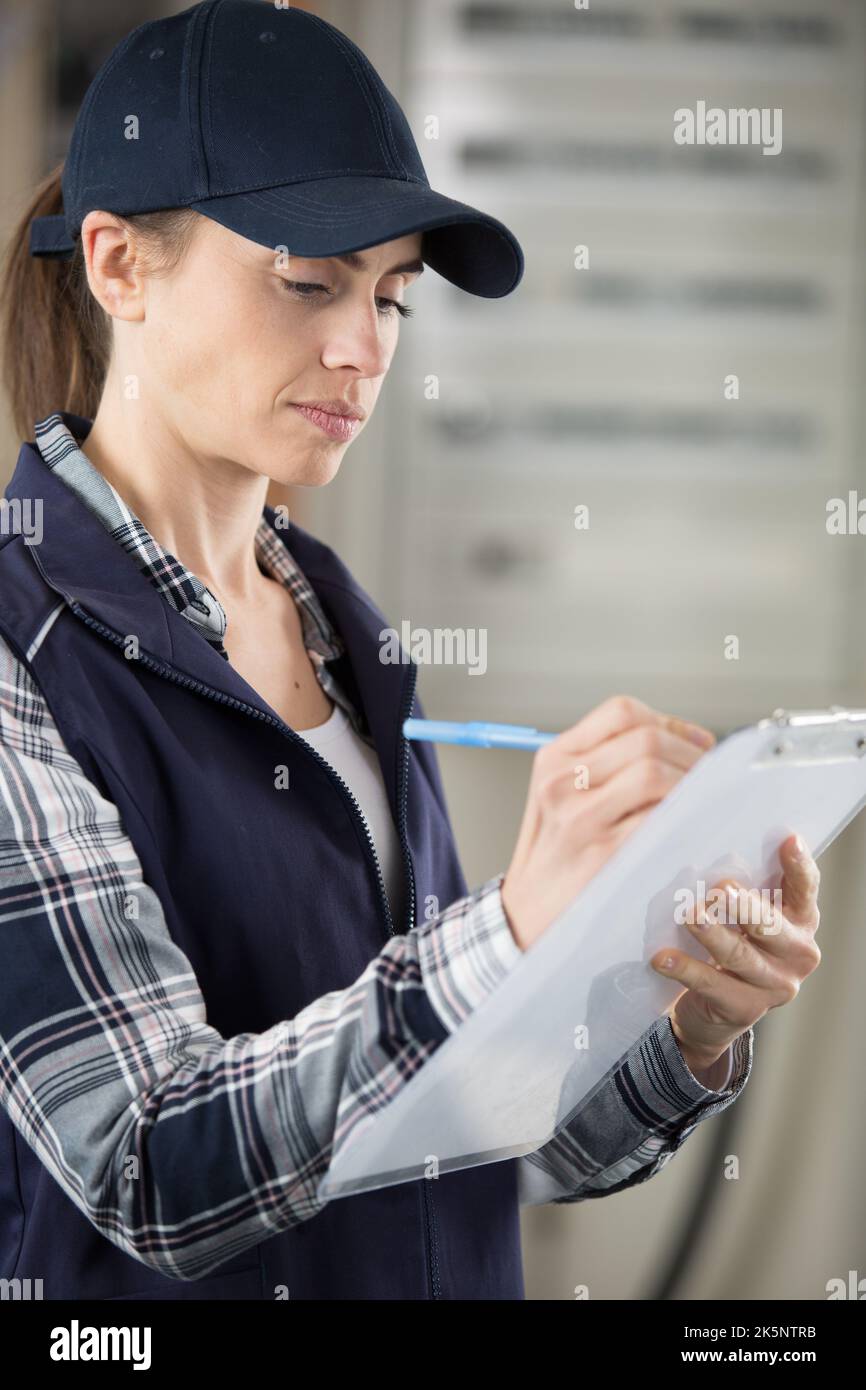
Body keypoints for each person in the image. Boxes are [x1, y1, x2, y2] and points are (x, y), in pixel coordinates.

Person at [0, 1, 820, 1301]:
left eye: (390, 299)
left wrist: (683, 1024)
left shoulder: (342, 629)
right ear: (116, 265)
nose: (361, 349)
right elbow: (146, 1165)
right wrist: (503, 930)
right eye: (306, 281)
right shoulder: (17, 654)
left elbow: (463, 1129)